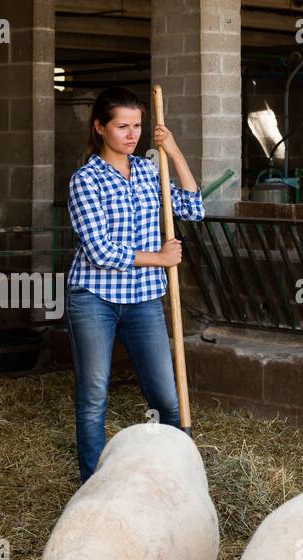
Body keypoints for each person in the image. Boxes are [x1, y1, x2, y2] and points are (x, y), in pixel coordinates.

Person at [65, 86, 204, 482]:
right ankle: (93, 485)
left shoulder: (148, 170)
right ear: (100, 127)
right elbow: (100, 251)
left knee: (166, 396)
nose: (132, 135)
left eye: (138, 126)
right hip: (94, 298)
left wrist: (174, 152)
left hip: (143, 297)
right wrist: (160, 258)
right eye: (122, 126)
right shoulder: (86, 180)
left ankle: (176, 477)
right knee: (94, 395)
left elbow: (193, 208)